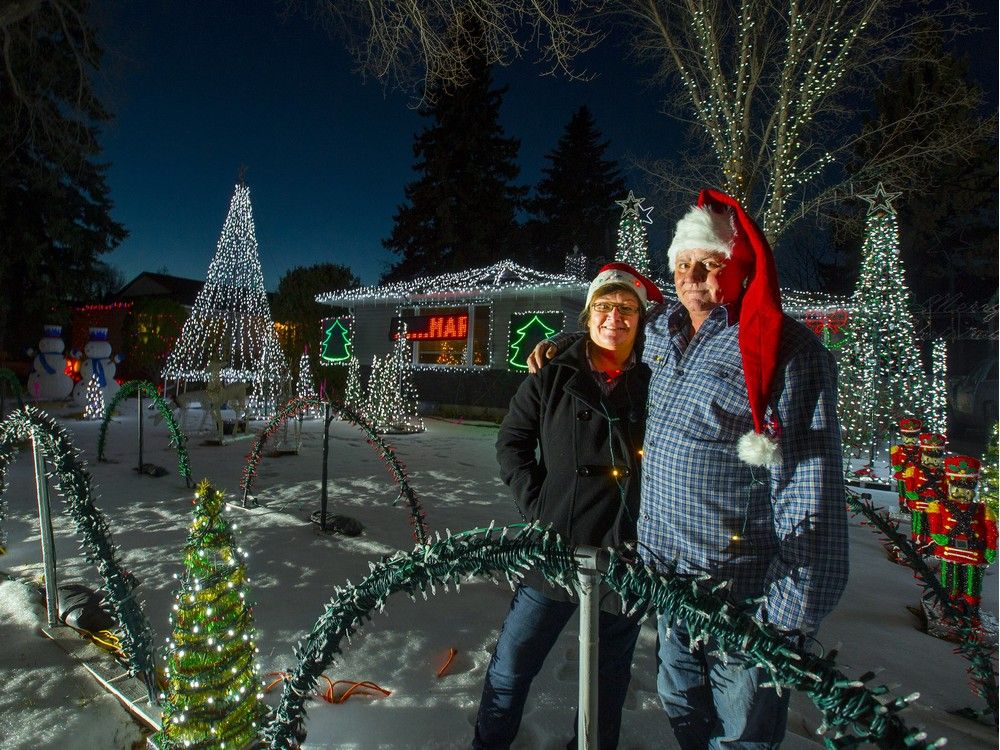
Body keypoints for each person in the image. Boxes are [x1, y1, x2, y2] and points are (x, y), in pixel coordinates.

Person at [528, 189, 849, 749]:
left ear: (739, 266)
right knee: (683, 714)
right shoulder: (662, 332)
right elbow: (609, 332)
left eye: (709, 263)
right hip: (672, 592)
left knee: (742, 738)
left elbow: (812, 499)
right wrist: (563, 343)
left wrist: (777, 626)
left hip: (744, 607)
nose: (692, 276)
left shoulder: (784, 352)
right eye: (682, 264)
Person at [473, 263, 663, 750]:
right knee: (514, 661)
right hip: (555, 542)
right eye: (603, 306)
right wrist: (537, 504)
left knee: (608, 676)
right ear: (587, 314)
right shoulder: (552, 374)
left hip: (624, 548)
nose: (613, 317)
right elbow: (512, 442)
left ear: (640, 319)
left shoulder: (656, 380)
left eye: (626, 309)